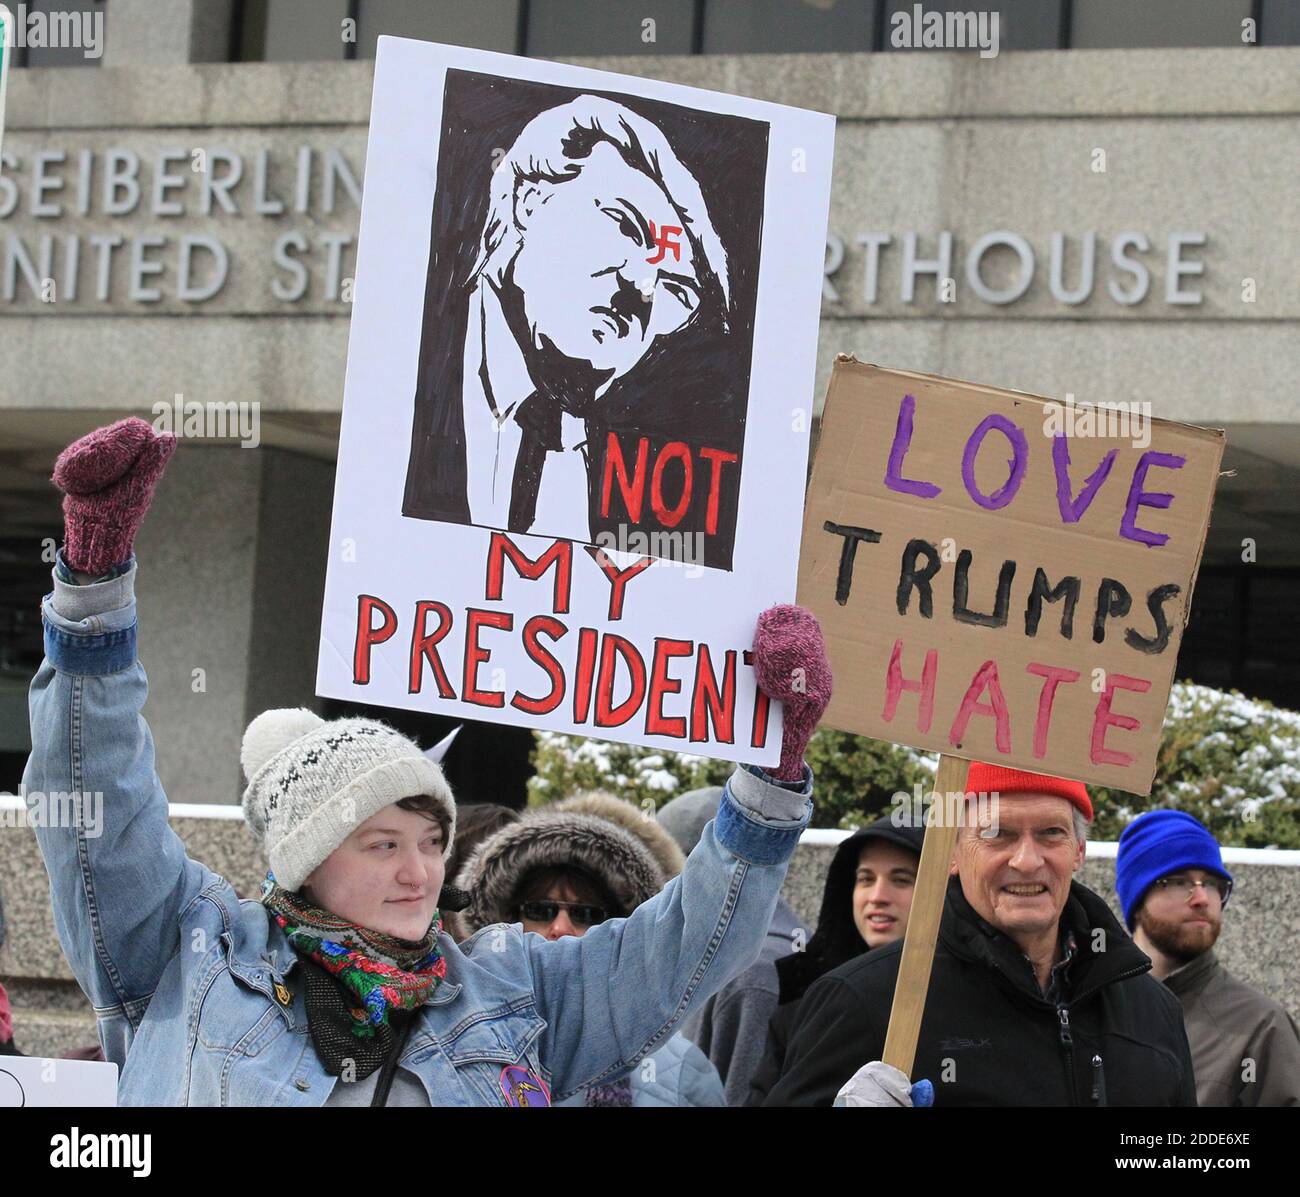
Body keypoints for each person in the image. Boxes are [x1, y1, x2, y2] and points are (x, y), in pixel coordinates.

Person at [28, 417, 829, 1106]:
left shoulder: (517, 991)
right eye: (383, 844)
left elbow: (688, 942)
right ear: (308, 858)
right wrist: (94, 586)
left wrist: (773, 765)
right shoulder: (195, 950)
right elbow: (99, 810)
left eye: (432, 841)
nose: (419, 873)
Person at [763, 764, 1197, 1107]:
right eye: (996, 834)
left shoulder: (1153, 1010)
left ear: (1078, 851)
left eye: (1051, 833)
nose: (1027, 861)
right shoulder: (866, 1000)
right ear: (950, 852)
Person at [406, 95, 731, 540]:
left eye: (675, 288)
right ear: (531, 200)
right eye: (625, 226)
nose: (642, 290)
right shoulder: (406, 360)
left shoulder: (660, 483)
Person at [459, 790, 724, 1106]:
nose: (560, 928)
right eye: (540, 910)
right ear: (509, 919)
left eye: (585, 914)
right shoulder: (455, 1043)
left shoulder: (681, 1071)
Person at [1117, 809, 1300, 1106]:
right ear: (1138, 899)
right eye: (1179, 881)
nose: (1202, 899)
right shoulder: (1091, 1009)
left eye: (1212, 883)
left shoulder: (1261, 1028)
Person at [746, 813, 923, 1104]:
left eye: (901, 880)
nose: (877, 896)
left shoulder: (966, 999)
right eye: (865, 879)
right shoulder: (806, 999)